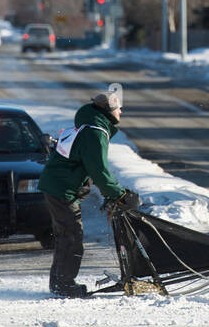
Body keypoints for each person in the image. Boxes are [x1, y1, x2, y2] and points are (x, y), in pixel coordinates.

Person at [37, 91, 138, 298]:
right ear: (107, 112)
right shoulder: (94, 133)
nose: (121, 111)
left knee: (66, 235)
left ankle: (59, 282)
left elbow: (95, 168)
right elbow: (98, 170)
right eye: (118, 108)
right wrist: (119, 195)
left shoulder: (89, 126)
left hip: (57, 186)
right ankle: (64, 285)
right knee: (72, 236)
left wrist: (114, 194)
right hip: (61, 189)